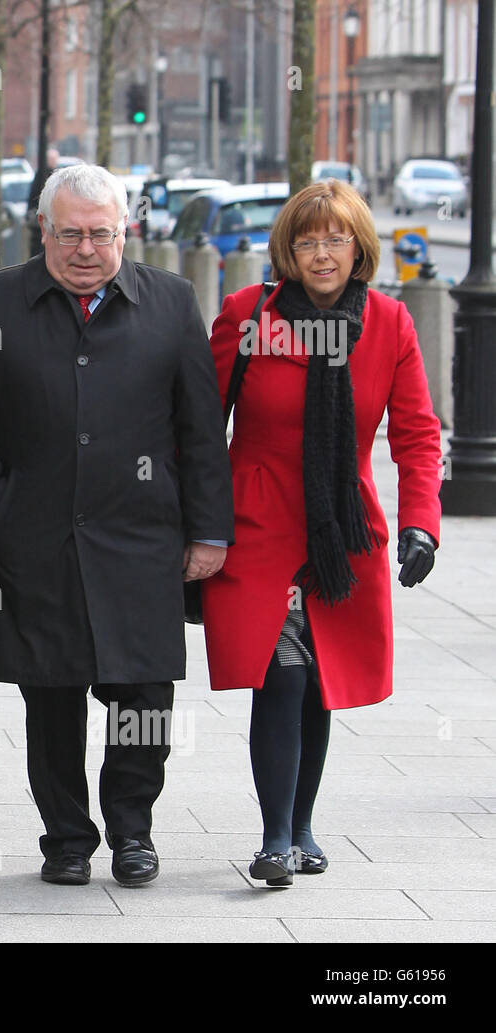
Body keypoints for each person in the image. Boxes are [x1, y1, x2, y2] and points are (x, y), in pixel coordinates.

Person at [0, 163, 233, 887]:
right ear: (42, 231)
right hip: (35, 539)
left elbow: (201, 428)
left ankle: (132, 829)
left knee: (144, 698)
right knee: (51, 697)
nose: (84, 249)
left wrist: (208, 532)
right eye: (69, 233)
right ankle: (67, 837)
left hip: (143, 539)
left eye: (100, 234)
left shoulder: (169, 302)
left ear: (125, 231)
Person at [202, 179, 441, 886]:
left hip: (344, 533)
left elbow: (419, 435)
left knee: (320, 684)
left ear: (359, 244)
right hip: (258, 527)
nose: (322, 251)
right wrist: (196, 525)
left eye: (335, 237)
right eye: (306, 239)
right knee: (282, 675)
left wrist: (420, 525)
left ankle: (302, 822)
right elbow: (199, 425)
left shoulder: (391, 323)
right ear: (288, 250)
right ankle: (276, 835)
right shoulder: (250, 315)